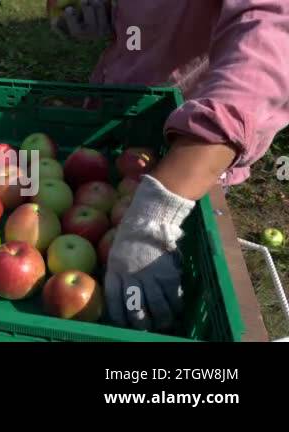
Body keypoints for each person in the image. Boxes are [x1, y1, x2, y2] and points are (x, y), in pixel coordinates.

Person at [51, 0, 289, 332]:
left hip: (187, 154)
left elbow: (269, 37)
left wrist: (158, 212)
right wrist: (105, 13)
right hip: (116, 120)